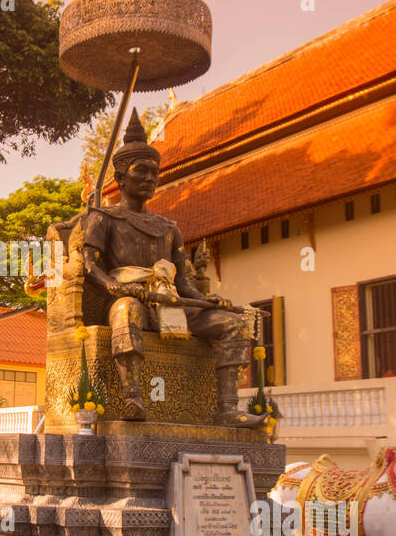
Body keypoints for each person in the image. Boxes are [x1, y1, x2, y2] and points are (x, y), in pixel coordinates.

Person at [82, 109, 264, 425]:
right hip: (129, 296)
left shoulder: (168, 227)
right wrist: (112, 285)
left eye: (155, 172)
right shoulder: (104, 218)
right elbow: (88, 265)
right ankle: (133, 398)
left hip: (170, 299)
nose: (151, 178)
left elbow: (185, 281)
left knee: (233, 324)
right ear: (122, 177)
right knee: (126, 312)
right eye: (142, 172)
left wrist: (206, 300)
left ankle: (228, 408)